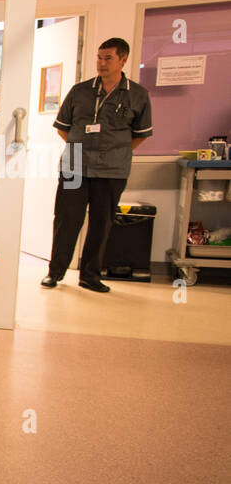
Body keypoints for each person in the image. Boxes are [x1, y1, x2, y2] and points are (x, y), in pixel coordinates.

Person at [42, 37, 154, 293]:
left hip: (113, 169)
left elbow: (139, 135)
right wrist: (83, 148)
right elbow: (64, 129)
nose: (101, 63)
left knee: (101, 223)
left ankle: (90, 276)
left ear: (123, 60)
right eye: (99, 58)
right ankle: (55, 272)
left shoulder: (137, 95)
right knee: (66, 221)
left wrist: (113, 151)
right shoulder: (80, 91)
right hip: (75, 165)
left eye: (108, 58)